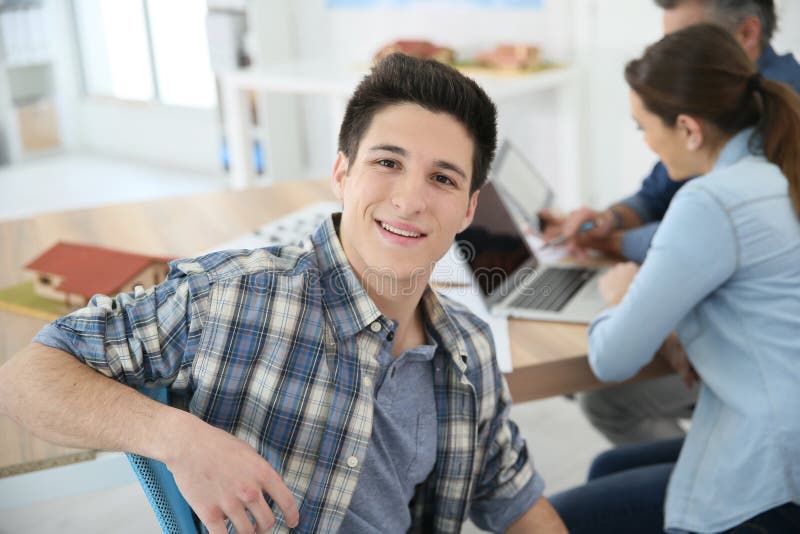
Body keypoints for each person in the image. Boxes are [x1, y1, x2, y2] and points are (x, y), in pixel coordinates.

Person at [0, 54, 567, 534]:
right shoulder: (233, 298)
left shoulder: (467, 349)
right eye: (387, 162)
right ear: (342, 173)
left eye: (443, 178)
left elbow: (510, 495)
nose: (411, 199)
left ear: (470, 208)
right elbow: (26, 378)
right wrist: (175, 437)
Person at [550, 23, 800, 533]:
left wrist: (619, 297)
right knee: (607, 468)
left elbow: (612, 358)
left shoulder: (711, 202)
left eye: (643, 126)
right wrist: (682, 329)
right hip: (782, 436)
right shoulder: (778, 171)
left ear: (688, 128)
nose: (645, 141)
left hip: (775, 475)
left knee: (548, 521)